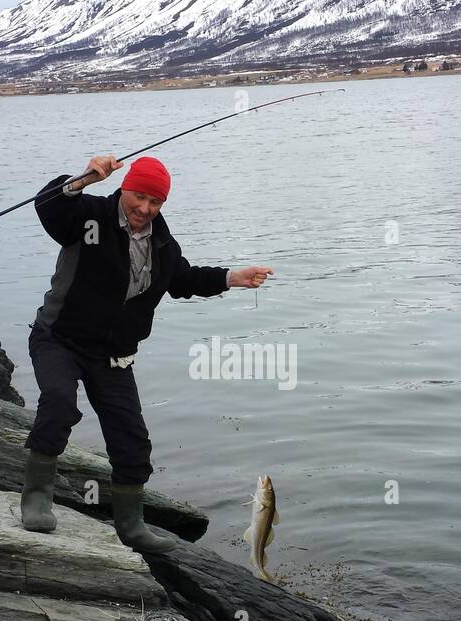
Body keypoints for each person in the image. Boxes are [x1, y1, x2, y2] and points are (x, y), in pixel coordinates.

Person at [20, 154, 272, 553]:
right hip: (59, 339)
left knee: (133, 441)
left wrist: (231, 278)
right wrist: (83, 178)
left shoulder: (163, 244)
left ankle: (131, 525)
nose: (144, 208)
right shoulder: (89, 217)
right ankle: (36, 500)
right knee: (58, 403)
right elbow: (49, 204)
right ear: (125, 189)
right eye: (138, 197)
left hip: (113, 356)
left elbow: (183, 280)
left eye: (155, 202)